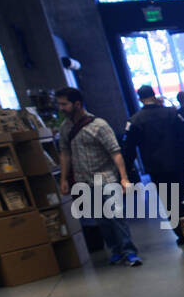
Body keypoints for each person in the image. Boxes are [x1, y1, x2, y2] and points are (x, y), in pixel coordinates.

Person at [54, 87, 141, 267]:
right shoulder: (65, 128)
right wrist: (63, 179)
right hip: (83, 181)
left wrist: (124, 178)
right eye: (59, 104)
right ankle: (116, 250)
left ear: (77, 104)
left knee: (116, 216)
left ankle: (129, 251)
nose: (60, 108)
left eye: (64, 104)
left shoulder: (99, 125)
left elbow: (115, 152)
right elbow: (65, 154)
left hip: (105, 178)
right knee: (101, 220)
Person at [122, 85, 184, 246]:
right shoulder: (172, 113)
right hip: (178, 163)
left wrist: (127, 169)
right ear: (154, 95)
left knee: (169, 200)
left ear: (139, 99)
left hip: (156, 168)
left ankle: (180, 234)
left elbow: (128, 148)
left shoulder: (135, 120)